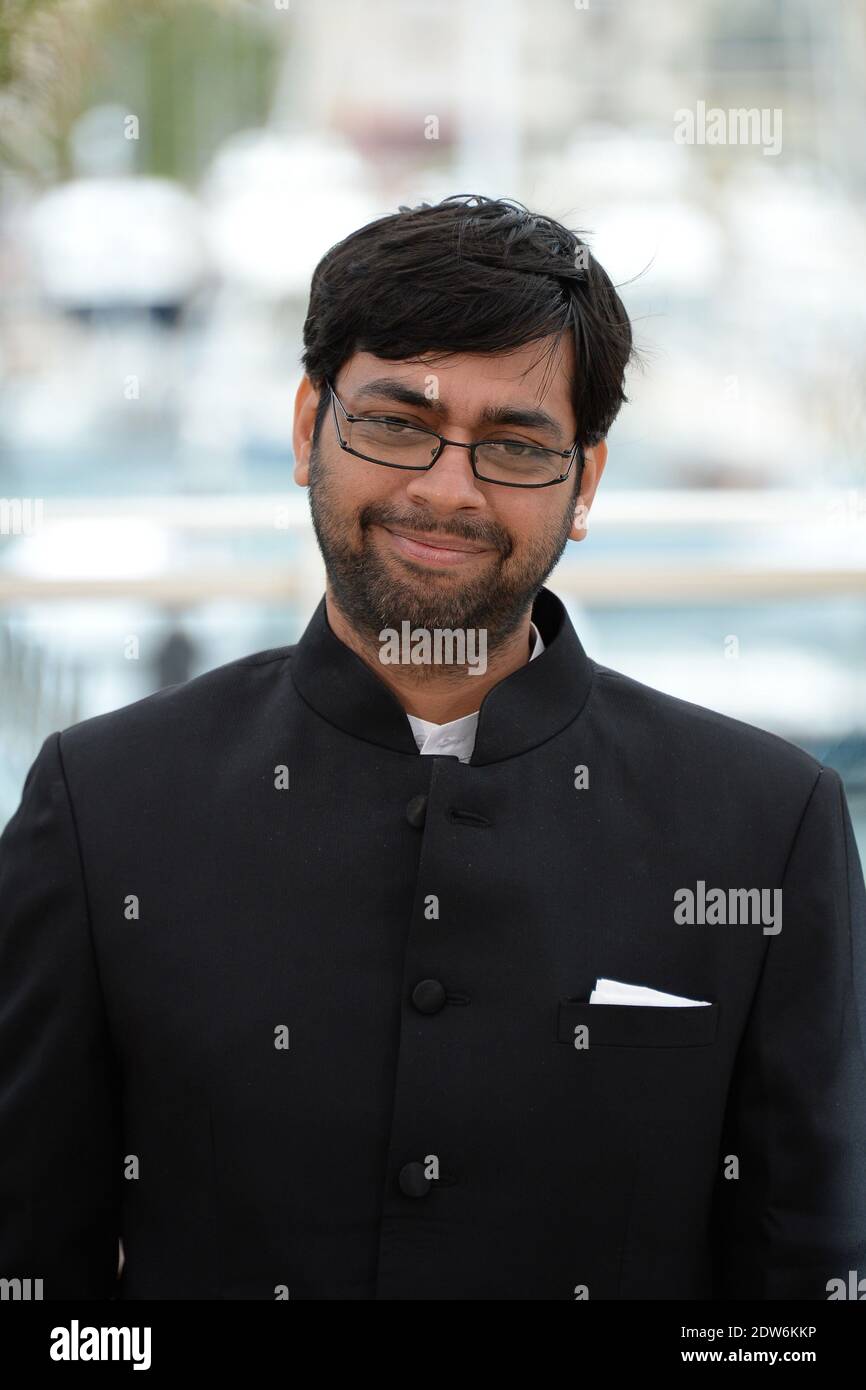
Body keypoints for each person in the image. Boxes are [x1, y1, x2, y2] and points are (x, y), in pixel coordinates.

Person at [1, 195, 864, 1301]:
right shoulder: (99, 804)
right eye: (397, 421)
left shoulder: (764, 823)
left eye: (512, 443)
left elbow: (798, 1285)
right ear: (309, 424)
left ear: (585, 483)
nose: (444, 487)